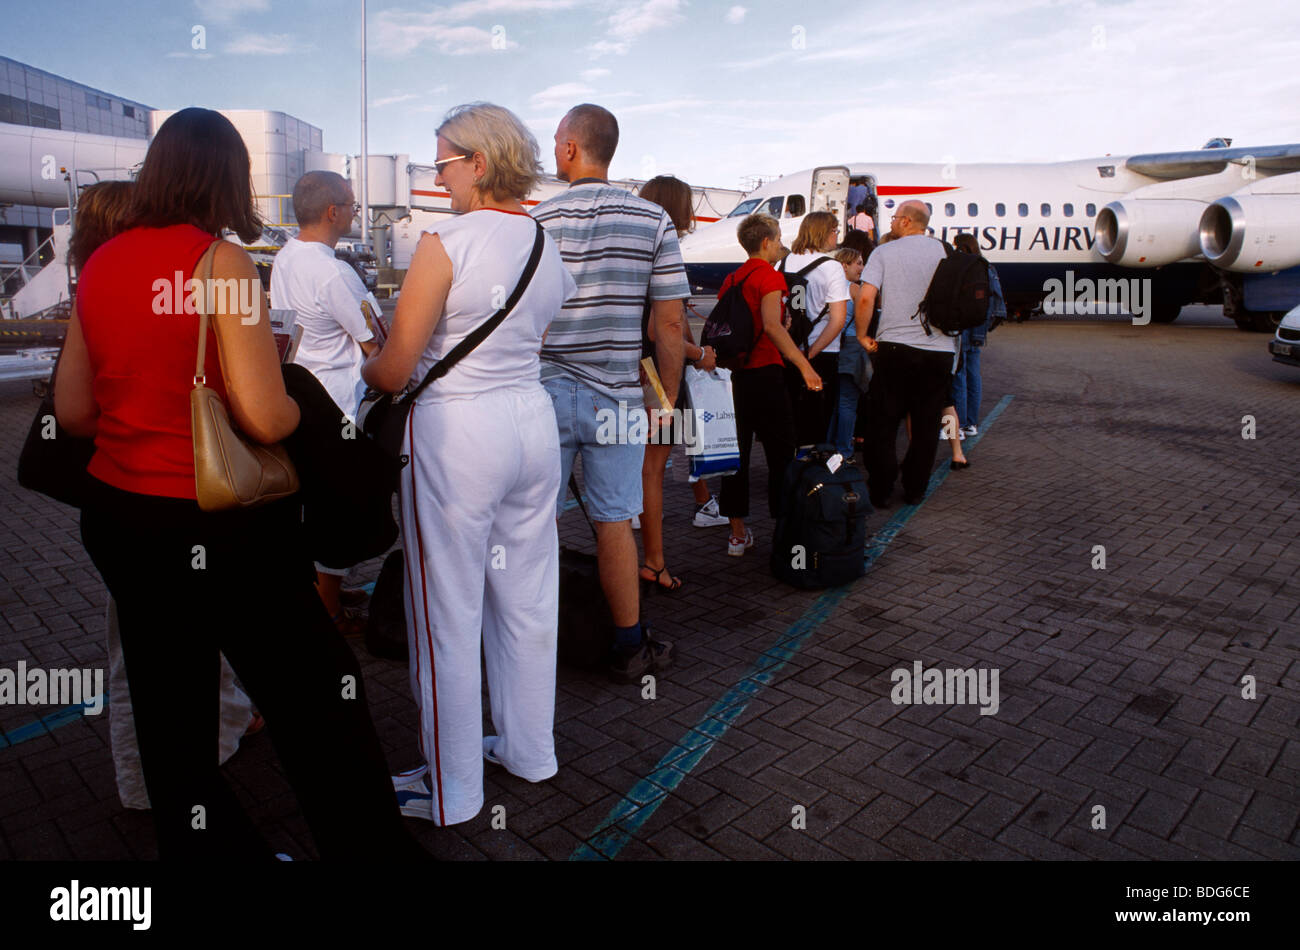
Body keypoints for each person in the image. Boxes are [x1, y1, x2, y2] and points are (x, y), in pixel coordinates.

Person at [56, 107, 423, 860]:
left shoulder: (100, 264)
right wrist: (292, 392)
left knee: (168, 706)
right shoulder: (218, 264)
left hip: (120, 517)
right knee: (317, 695)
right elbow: (264, 416)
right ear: (228, 178)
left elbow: (74, 410)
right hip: (214, 520)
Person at [363, 103, 576, 826]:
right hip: (530, 423)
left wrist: (368, 361)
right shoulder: (545, 243)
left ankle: (450, 791)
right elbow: (531, 335)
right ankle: (530, 750)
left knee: (446, 613)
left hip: (458, 431)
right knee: (527, 600)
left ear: (478, 164)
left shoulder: (444, 241)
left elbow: (394, 370)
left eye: (442, 163)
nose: (437, 178)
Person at [533, 104, 688, 681]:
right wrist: (665, 400)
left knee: (535, 519)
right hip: (619, 395)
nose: (554, 151)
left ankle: (536, 639)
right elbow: (669, 323)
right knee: (615, 520)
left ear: (572, 148)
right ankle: (628, 644)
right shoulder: (653, 221)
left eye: (555, 143)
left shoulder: (538, 221)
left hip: (544, 391)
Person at [270, 170, 385, 633]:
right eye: (353, 205)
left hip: (300, 396)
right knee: (340, 509)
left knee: (313, 501)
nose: (356, 212)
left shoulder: (286, 258)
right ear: (333, 211)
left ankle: (323, 587)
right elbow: (377, 344)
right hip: (341, 407)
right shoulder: (335, 272)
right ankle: (329, 608)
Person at [635, 175, 726, 592]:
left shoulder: (632, 250)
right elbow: (663, 328)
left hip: (624, 370)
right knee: (652, 470)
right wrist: (700, 355)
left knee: (635, 467)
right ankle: (654, 562)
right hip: (655, 376)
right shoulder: (663, 249)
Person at [717, 213, 820, 556]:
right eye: (777, 239)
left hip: (735, 375)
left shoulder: (732, 278)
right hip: (766, 374)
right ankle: (785, 528)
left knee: (737, 455)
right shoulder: (771, 277)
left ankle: (737, 534)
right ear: (766, 242)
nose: (780, 245)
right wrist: (805, 366)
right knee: (781, 454)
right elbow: (773, 328)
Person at [857, 199, 955, 507]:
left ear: (907, 222)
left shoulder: (884, 252)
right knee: (926, 426)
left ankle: (882, 488)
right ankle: (915, 488)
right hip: (939, 350)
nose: (891, 222)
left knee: (883, 423)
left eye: (895, 217)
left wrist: (862, 335)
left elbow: (865, 299)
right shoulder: (945, 251)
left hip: (894, 349)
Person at [778, 211, 849, 446]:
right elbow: (837, 320)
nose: (837, 235)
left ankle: (786, 475)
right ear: (824, 232)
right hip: (820, 353)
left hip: (785, 349)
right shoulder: (832, 267)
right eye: (835, 230)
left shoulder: (783, 263)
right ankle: (810, 476)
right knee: (816, 422)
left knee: (788, 421)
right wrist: (808, 356)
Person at [949, 232, 1004, 439]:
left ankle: (959, 425)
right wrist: (986, 323)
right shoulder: (986, 266)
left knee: (958, 376)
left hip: (962, 326)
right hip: (978, 327)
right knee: (974, 376)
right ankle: (972, 423)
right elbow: (997, 299)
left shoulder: (961, 267)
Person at [827, 245, 869, 459]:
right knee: (848, 401)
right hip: (852, 346)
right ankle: (844, 449)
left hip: (832, 345)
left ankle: (829, 445)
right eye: (858, 263)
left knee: (834, 401)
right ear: (845, 265)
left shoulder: (829, 287)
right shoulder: (854, 289)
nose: (862, 267)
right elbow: (867, 318)